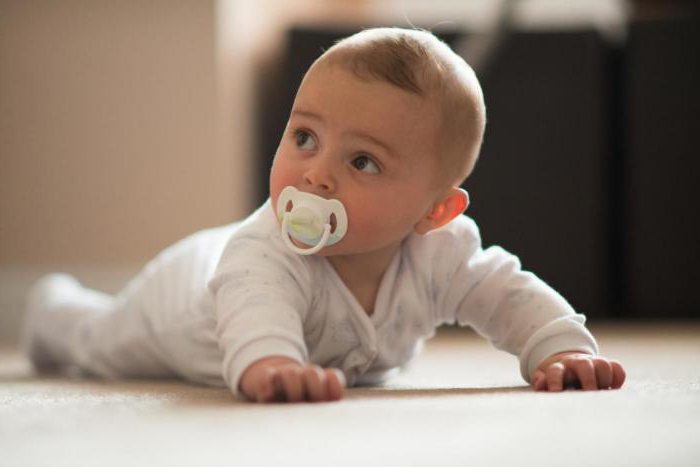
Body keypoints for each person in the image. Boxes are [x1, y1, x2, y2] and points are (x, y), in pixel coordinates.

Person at [22, 27, 625, 403]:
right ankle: (54, 308)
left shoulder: (444, 254)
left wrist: (560, 350)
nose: (316, 174)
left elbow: (505, 293)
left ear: (435, 211)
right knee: (96, 342)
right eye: (304, 137)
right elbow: (257, 310)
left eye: (362, 160)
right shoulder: (263, 254)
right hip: (181, 298)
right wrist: (274, 364)